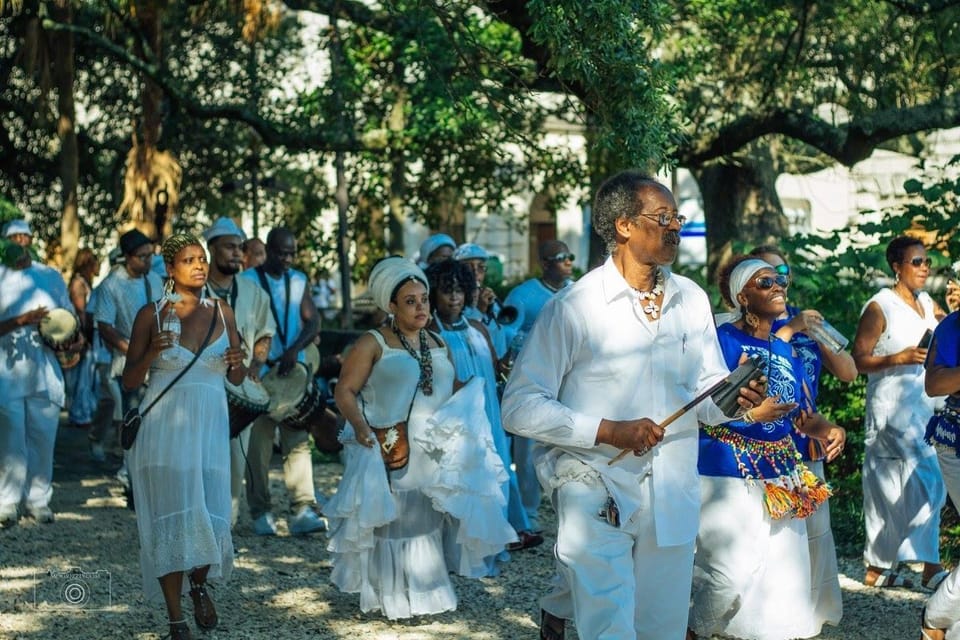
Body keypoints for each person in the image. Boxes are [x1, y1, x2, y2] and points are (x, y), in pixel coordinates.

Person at [500, 171, 764, 640]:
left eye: (676, 217)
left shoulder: (691, 298)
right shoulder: (575, 307)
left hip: (672, 492)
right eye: (663, 218)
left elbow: (703, 391)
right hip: (594, 484)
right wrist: (607, 430)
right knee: (610, 627)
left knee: (661, 629)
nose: (675, 227)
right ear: (623, 225)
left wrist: (733, 398)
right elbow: (519, 406)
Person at [326, 256, 515, 619]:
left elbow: (448, 387)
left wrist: (475, 388)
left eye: (424, 299)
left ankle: (427, 590)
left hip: (432, 451)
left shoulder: (437, 342)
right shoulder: (373, 342)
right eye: (410, 301)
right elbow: (345, 391)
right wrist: (362, 430)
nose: (420, 307)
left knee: (426, 522)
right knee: (395, 523)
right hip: (389, 445)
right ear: (391, 305)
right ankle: (392, 595)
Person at [689, 256, 839, 640]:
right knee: (727, 575)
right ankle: (687, 631)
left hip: (780, 475)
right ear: (742, 296)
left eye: (781, 282)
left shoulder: (785, 349)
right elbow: (702, 411)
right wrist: (754, 415)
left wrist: (829, 429)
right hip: (726, 471)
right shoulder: (722, 340)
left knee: (782, 583)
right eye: (766, 282)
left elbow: (800, 418)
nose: (778, 288)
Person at [123, 233, 244, 640]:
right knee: (172, 520)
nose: (199, 265)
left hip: (210, 429)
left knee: (213, 515)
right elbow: (129, 381)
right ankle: (175, 617)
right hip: (164, 434)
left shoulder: (222, 311)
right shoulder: (151, 315)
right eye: (189, 259)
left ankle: (198, 584)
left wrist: (237, 362)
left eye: (202, 259)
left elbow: (239, 375)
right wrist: (153, 353)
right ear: (170, 269)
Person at [750, 244, 854, 628]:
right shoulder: (754, 326)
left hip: (808, 436)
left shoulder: (805, 322)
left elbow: (848, 372)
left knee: (815, 530)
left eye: (784, 273)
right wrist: (790, 331)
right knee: (777, 533)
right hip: (769, 442)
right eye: (769, 275)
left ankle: (815, 611)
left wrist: (820, 331)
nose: (780, 281)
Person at [425, 259, 542, 554]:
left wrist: (516, 356)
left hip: (487, 410)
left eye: (459, 291)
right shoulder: (430, 332)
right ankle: (464, 545)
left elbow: (495, 366)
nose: (454, 298)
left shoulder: (478, 327)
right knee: (461, 473)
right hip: (456, 413)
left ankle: (498, 534)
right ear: (434, 295)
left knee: (496, 470)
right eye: (446, 291)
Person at [852, 235, 949, 590]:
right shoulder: (879, 307)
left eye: (927, 263)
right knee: (895, 486)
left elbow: (950, 333)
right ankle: (926, 566)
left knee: (910, 486)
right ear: (897, 267)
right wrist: (899, 358)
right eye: (917, 262)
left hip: (923, 408)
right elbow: (857, 360)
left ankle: (881, 568)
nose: (925, 268)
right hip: (890, 410)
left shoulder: (928, 303)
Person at [239, 227, 325, 536]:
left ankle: (302, 508)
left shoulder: (299, 279)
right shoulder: (247, 281)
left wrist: (295, 349)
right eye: (281, 253)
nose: (287, 259)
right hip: (260, 376)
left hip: (291, 374)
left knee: (297, 442)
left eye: (292, 253)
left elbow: (313, 319)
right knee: (259, 449)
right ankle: (260, 511)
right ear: (268, 250)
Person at [0, 219, 76, 527]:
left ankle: (38, 499)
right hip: (7, 370)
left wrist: (71, 343)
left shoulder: (49, 276)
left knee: (43, 436)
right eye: (13, 238)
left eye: (25, 236)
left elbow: (69, 316)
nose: (21, 241)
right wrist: (22, 320)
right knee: (11, 438)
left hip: (45, 370)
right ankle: (7, 501)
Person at [202, 218, 275, 529]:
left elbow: (264, 334)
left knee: (235, 459)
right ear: (211, 248)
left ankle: (224, 525)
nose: (237, 254)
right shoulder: (193, 289)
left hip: (238, 384)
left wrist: (255, 367)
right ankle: (199, 520)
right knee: (200, 456)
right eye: (229, 247)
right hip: (200, 384)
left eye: (240, 248)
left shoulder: (253, 291)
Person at [502, 239, 575, 532]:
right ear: (545, 263)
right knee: (529, 445)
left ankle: (566, 508)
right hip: (533, 380)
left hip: (568, 379)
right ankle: (528, 513)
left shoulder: (577, 291)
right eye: (561, 257)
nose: (568, 262)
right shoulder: (523, 295)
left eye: (569, 256)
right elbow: (506, 332)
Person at [95, 229, 164, 498]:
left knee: (156, 424)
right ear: (127, 257)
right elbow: (105, 326)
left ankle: (147, 477)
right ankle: (130, 477)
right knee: (133, 423)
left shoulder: (156, 280)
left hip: (157, 362)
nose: (148, 261)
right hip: (128, 365)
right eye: (142, 256)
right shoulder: (111, 285)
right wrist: (135, 351)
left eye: (150, 255)